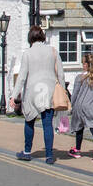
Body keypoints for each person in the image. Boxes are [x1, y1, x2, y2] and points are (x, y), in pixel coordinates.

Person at [12, 24, 66, 163]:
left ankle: (27, 151)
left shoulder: (27, 53)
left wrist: (14, 95)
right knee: (47, 124)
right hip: (49, 89)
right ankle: (49, 156)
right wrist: (63, 91)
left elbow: (22, 76)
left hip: (32, 91)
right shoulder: (53, 51)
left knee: (29, 121)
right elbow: (60, 73)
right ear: (42, 37)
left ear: (30, 38)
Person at [68, 53, 93, 162]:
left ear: (88, 64)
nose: (82, 65)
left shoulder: (80, 77)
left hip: (80, 105)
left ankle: (77, 149)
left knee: (79, 127)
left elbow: (75, 93)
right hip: (92, 105)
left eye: (84, 63)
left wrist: (72, 105)